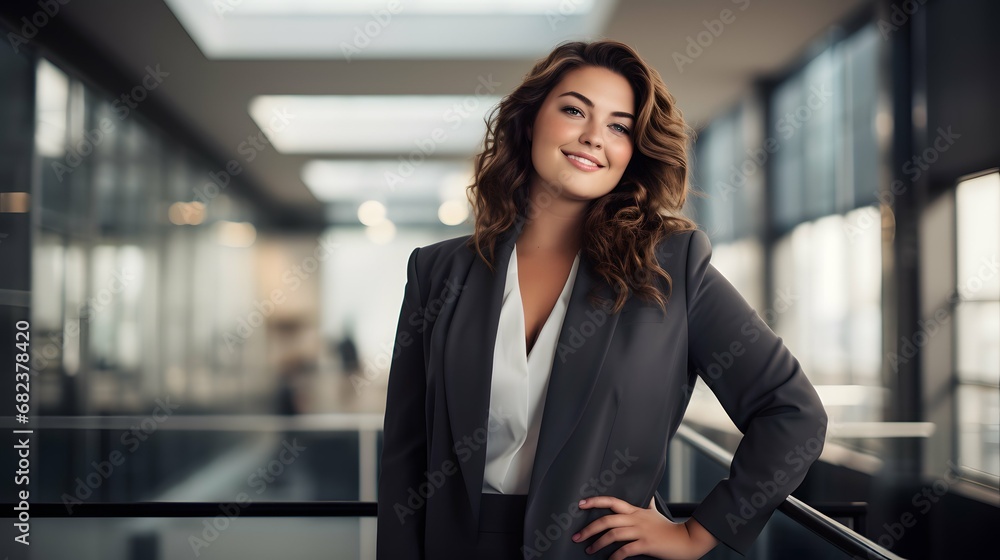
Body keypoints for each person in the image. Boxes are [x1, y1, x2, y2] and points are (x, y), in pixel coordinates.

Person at [376, 39, 828, 560]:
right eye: (574, 111)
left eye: (619, 126)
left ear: (634, 151)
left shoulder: (671, 266)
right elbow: (405, 456)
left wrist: (697, 533)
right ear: (530, 121)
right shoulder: (437, 271)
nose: (594, 136)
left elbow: (792, 412)